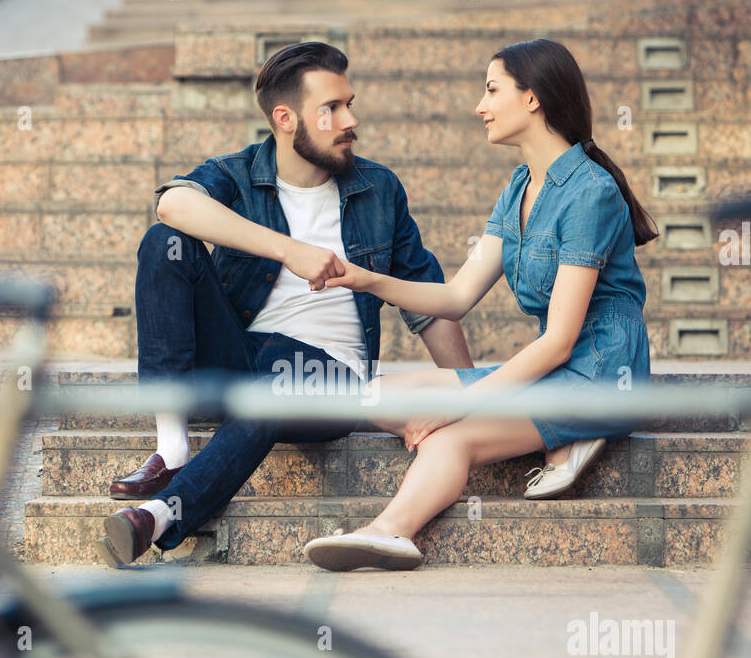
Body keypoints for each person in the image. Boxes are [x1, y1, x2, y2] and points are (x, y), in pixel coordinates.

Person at [98, 41, 473, 567]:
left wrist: (476, 395)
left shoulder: (379, 189)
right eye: (332, 108)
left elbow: (427, 304)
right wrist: (287, 249)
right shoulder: (239, 174)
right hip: (242, 354)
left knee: (276, 386)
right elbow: (173, 203)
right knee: (165, 241)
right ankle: (171, 448)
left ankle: (158, 517)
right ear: (285, 118)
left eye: (349, 103)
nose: (350, 119)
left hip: (327, 377)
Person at [302, 38, 658, 572]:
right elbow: (456, 297)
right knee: (372, 397)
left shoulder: (592, 193)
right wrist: (367, 279)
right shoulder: (520, 185)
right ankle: (559, 435)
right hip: (550, 368)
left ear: (533, 99)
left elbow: (560, 342)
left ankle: (390, 533)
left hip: (600, 373)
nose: (480, 105)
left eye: (492, 90)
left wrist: (457, 407)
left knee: (453, 436)